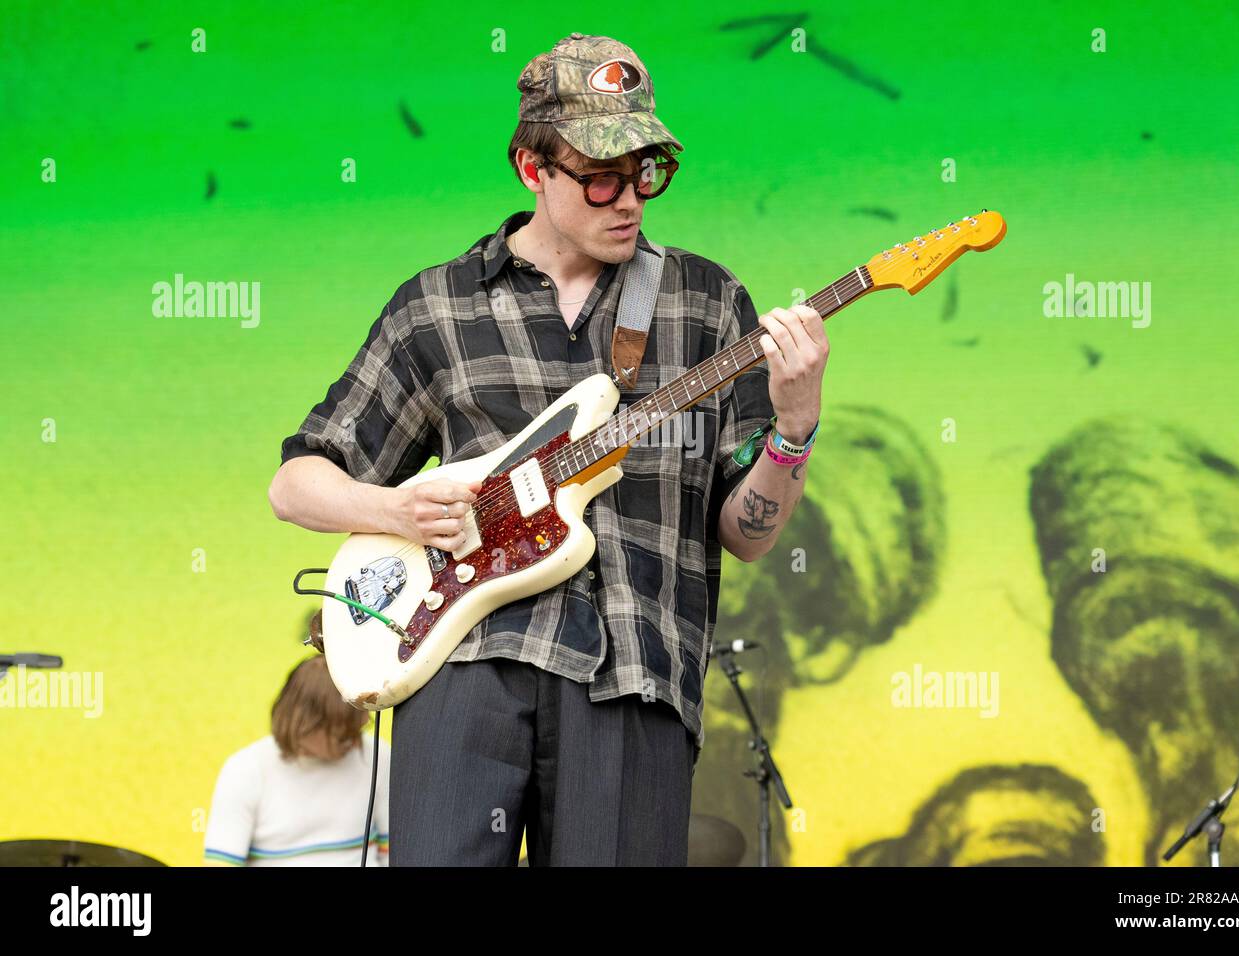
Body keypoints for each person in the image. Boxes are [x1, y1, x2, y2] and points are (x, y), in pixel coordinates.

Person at [268, 32, 828, 866]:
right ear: (532, 168)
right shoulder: (439, 306)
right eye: (603, 176)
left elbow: (748, 535)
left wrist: (793, 427)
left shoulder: (706, 301)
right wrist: (391, 507)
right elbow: (297, 482)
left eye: (647, 172)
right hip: (462, 665)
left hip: (635, 671)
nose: (630, 200)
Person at [203, 655, 390, 866]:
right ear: (305, 724)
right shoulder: (245, 770)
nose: (356, 743)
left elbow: (397, 852)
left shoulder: (379, 755)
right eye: (343, 736)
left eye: (358, 730)